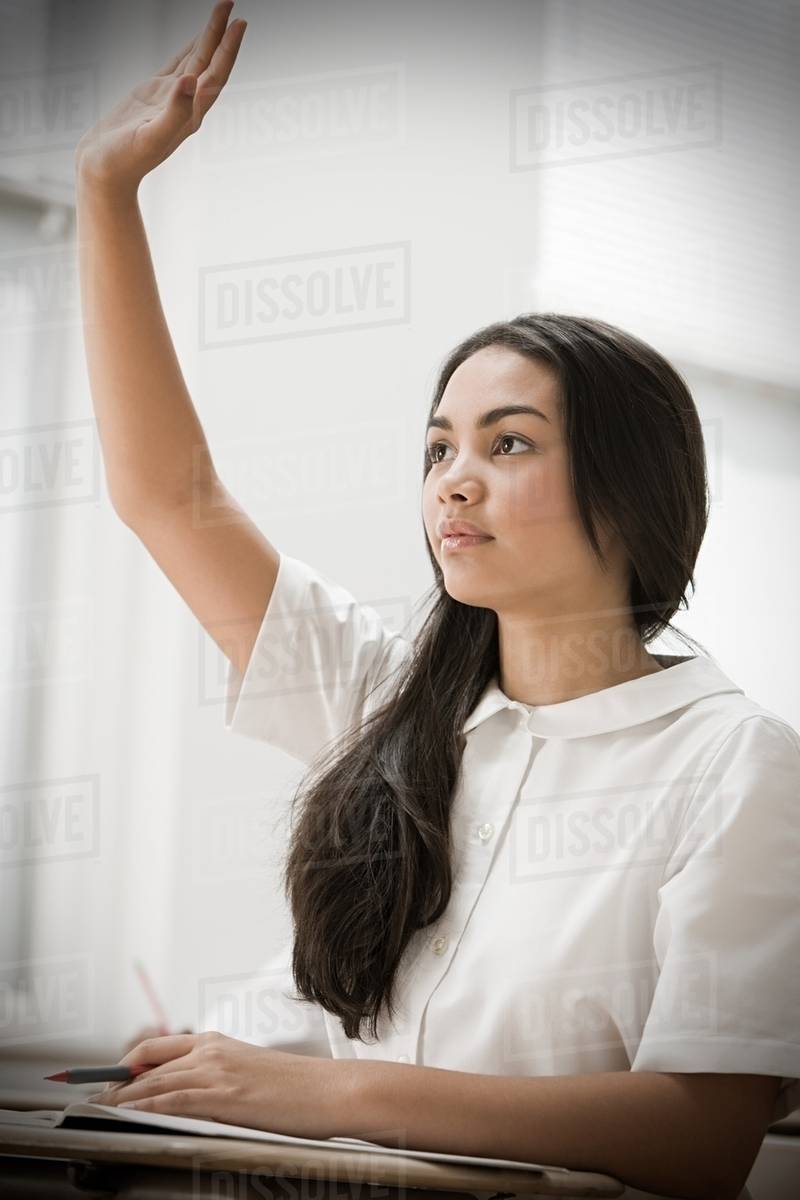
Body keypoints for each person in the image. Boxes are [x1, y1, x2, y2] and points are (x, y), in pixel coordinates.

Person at [74, 3, 800, 1197]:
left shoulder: (738, 769)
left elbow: (699, 1134)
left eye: (507, 444)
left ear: (628, 490)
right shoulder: (384, 698)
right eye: (435, 448)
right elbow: (167, 494)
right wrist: (106, 193)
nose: (452, 479)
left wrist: (323, 1093)